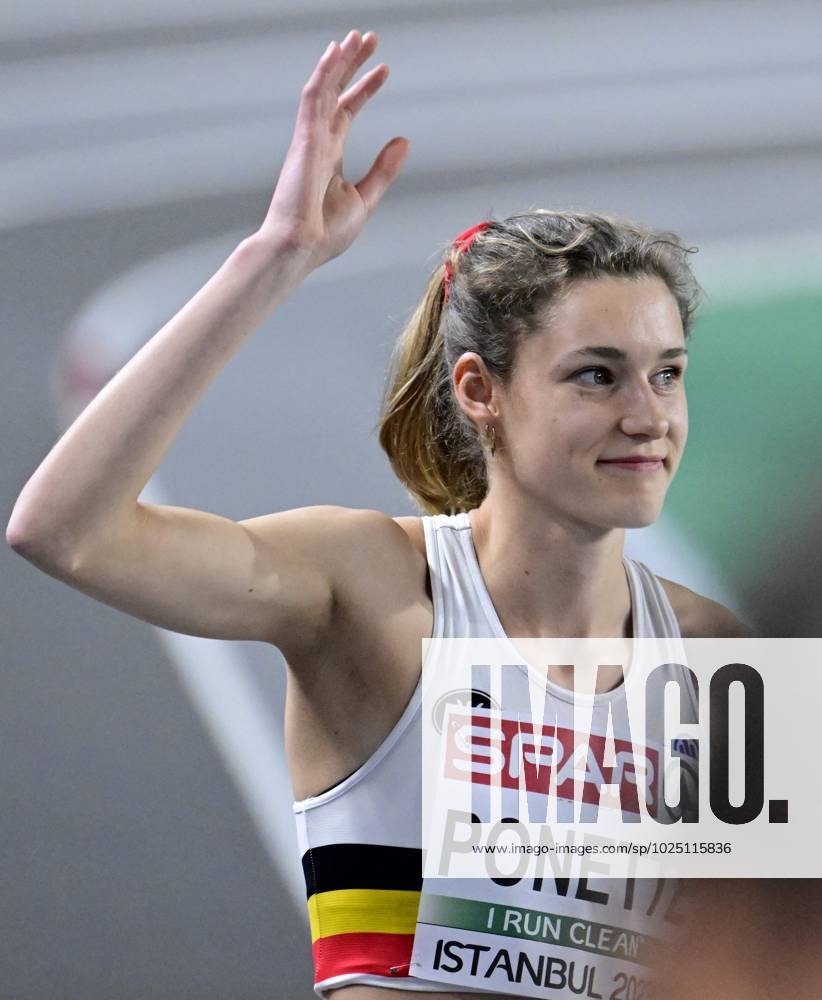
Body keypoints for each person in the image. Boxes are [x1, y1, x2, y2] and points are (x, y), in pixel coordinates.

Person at [7, 29, 750, 1000]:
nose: (647, 415)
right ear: (481, 390)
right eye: (597, 376)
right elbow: (64, 530)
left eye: (667, 374)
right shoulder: (376, 588)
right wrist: (276, 257)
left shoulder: (722, 660)